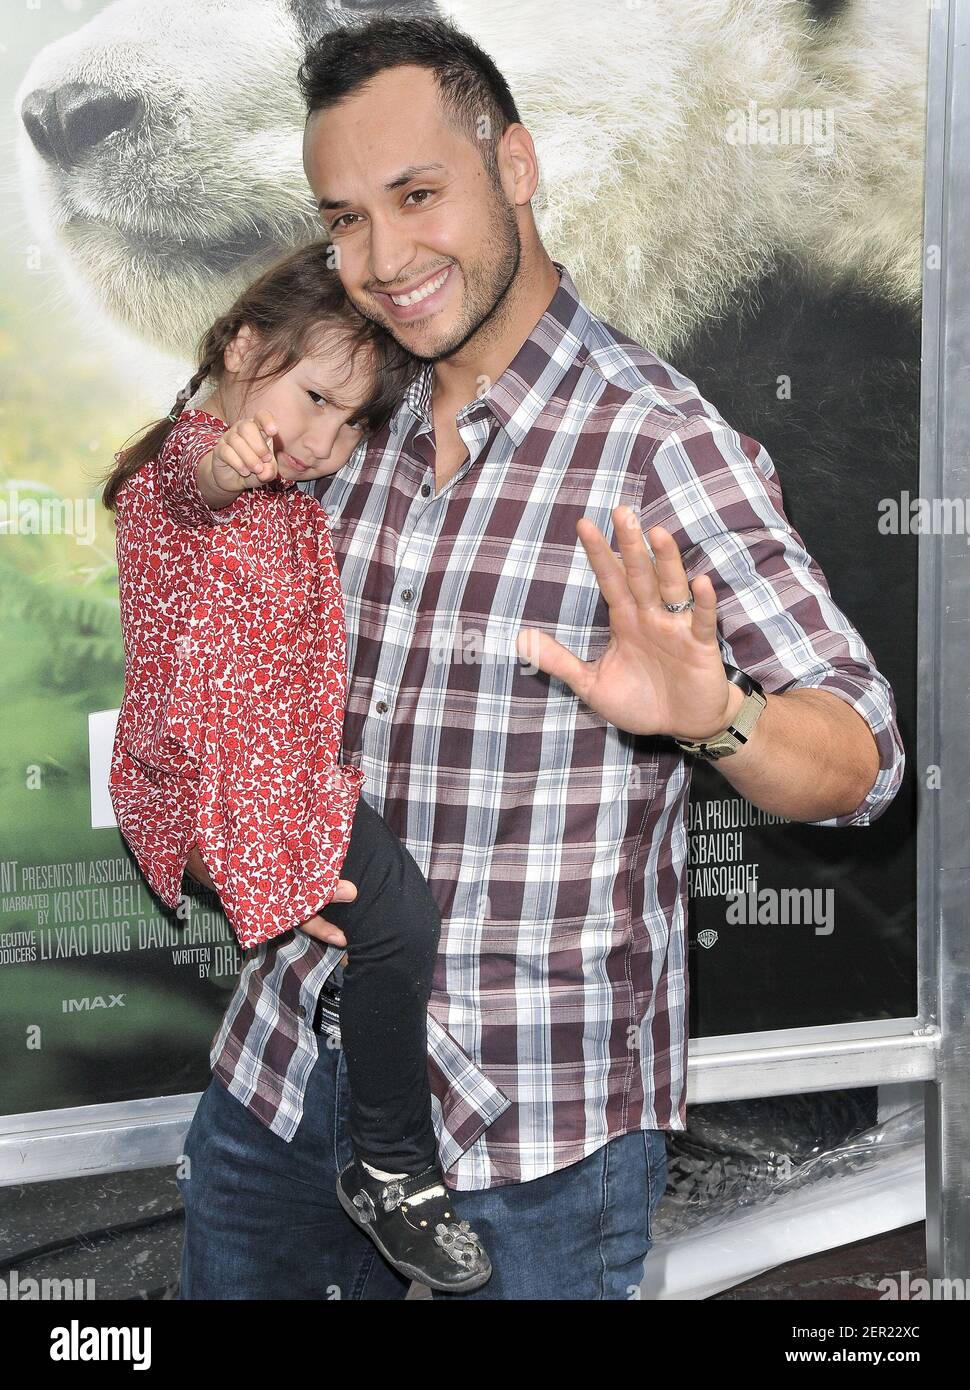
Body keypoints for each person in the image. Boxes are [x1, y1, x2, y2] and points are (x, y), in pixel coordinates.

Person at [176, 16, 906, 1300]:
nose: (384, 258)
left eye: (418, 196)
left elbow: (861, 760)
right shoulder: (343, 419)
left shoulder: (659, 446)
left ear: (514, 165)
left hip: (536, 1136)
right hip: (279, 1081)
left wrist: (716, 713)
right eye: (344, 217)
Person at [102, 241, 493, 1293]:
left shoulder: (297, 490)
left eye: (349, 420)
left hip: (271, 779)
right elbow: (186, 489)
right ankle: (392, 1163)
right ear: (242, 346)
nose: (322, 439)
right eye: (313, 396)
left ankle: (381, 1157)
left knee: (383, 926)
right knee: (400, 916)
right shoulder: (181, 474)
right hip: (229, 785)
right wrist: (225, 465)